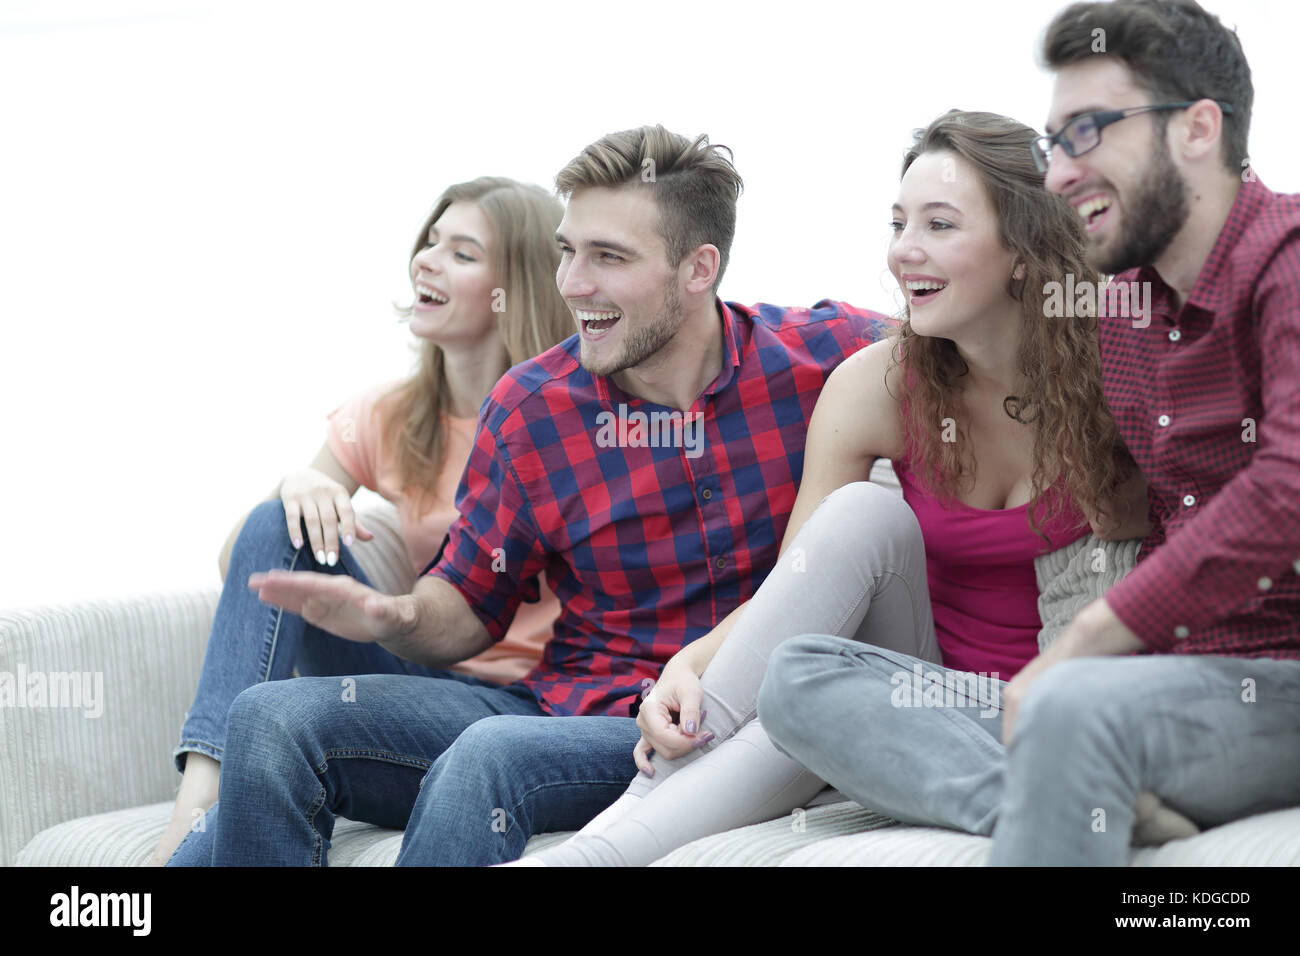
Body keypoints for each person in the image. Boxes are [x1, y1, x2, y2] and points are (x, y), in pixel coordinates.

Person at [163, 124, 894, 867]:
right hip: (560, 706)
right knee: (269, 718)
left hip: (698, 717)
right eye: (568, 250)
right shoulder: (530, 408)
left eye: (608, 256)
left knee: (491, 755)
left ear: (697, 268)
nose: (572, 283)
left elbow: (980, 346)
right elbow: (469, 607)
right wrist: (396, 615)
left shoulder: (827, 355)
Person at [520, 108, 1162, 867]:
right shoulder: (881, 384)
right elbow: (801, 580)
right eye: (897, 224)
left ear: (1023, 250)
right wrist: (690, 664)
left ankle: (595, 854)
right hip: (916, 691)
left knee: (809, 694)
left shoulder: (1123, 378)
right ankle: (601, 848)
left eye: (940, 225)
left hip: (1052, 700)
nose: (903, 252)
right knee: (856, 530)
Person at [763, 0, 1300, 866]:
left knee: (1071, 711)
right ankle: (1086, 808)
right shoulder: (1124, 314)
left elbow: (1288, 489)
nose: (1059, 175)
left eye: (1090, 132)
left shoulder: (1288, 263)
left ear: (1200, 129)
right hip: (1146, 688)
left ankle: (1075, 779)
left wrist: (1087, 643)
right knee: (800, 676)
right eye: (1057, 144)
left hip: (1272, 678)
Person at [151, 176, 572, 866]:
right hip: (408, 686)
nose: (426, 261)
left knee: (204, 853)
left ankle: (198, 831)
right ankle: (200, 791)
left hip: (521, 712)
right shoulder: (391, 415)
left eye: (462, 253)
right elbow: (248, 564)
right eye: (430, 241)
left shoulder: (564, 419)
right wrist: (302, 484)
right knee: (275, 520)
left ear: (516, 289)